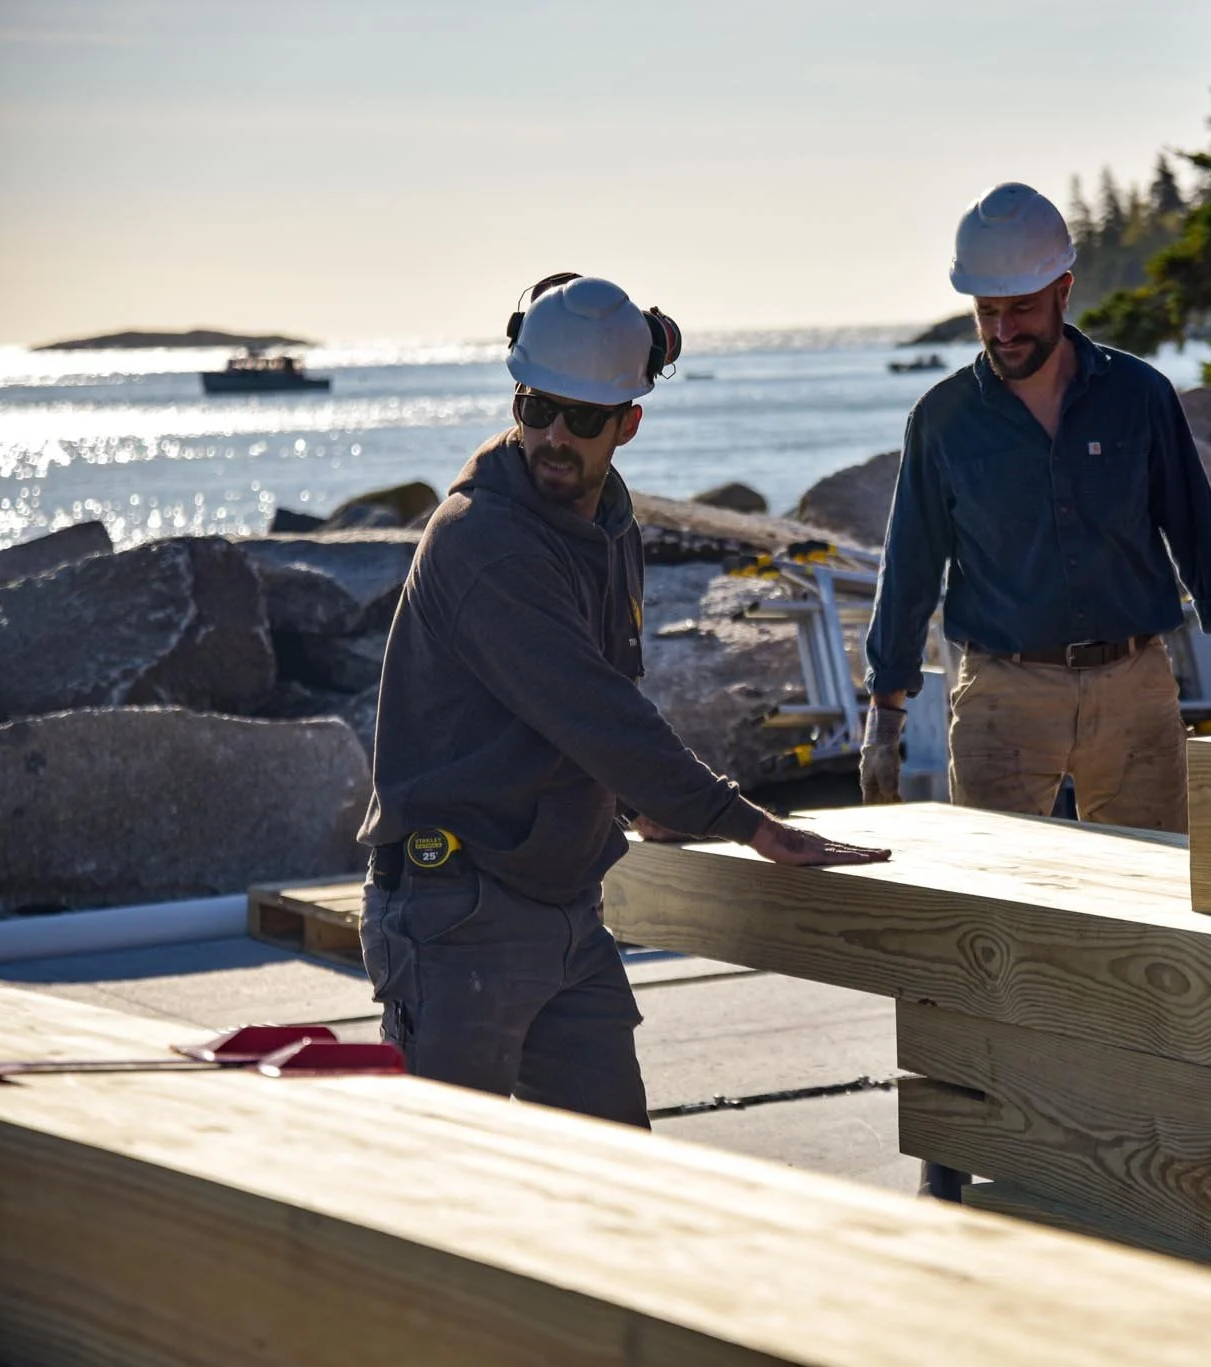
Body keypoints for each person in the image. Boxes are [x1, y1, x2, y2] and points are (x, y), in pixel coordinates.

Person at [358, 272, 887, 1128]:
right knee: (452, 1186)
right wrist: (749, 821)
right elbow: (596, 711)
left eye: (584, 416)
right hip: (459, 914)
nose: (554, 436)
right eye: (536, 408)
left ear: (629, 423)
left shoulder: (606, 521)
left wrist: (646, 803)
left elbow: (604, 694)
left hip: (565, 903)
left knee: (619, 1175)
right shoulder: (485, 541)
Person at [860, 183, 1211, 833]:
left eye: (1022, 308)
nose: (1003, 330)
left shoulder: (1139, 396)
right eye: (987, 310)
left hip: (1135, 690)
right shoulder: (942, 420)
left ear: (1064, 289)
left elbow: (1199, 539)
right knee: (997, 904)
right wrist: (884, 719)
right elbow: (910, 571)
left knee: (1153, 893)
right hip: (1003, 695)